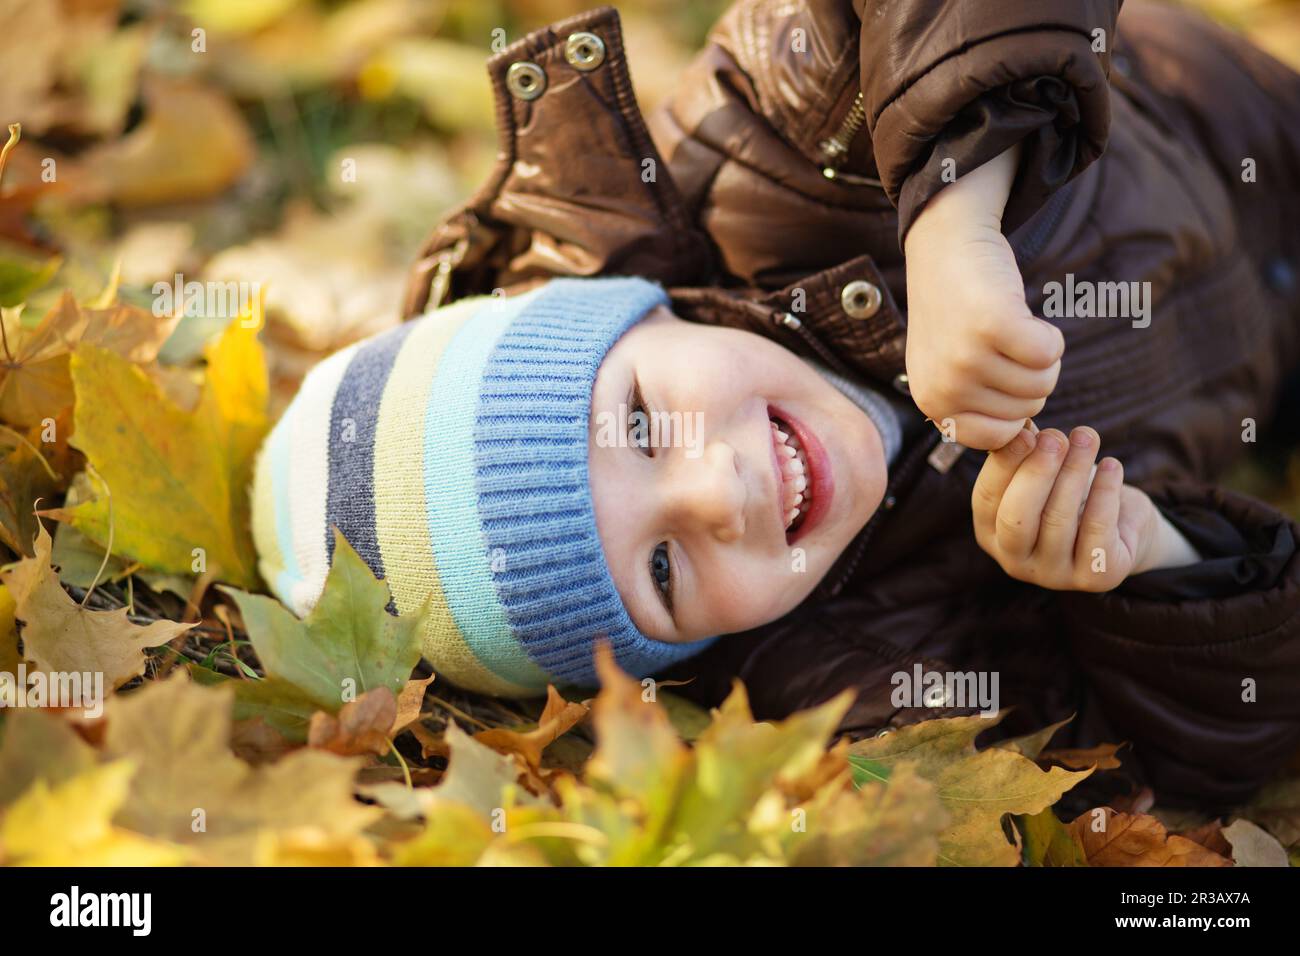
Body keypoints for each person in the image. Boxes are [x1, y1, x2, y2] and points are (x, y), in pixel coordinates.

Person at [259, 0, 1300, 810]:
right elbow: (1189, 746)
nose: (722, 491)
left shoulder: (765, 149)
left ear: (639, 310)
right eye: (660, 571)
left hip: (1238, 128)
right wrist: (1150, 564)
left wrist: (950, 212)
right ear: (676, 656)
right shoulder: (849, 669)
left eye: (637, 423)